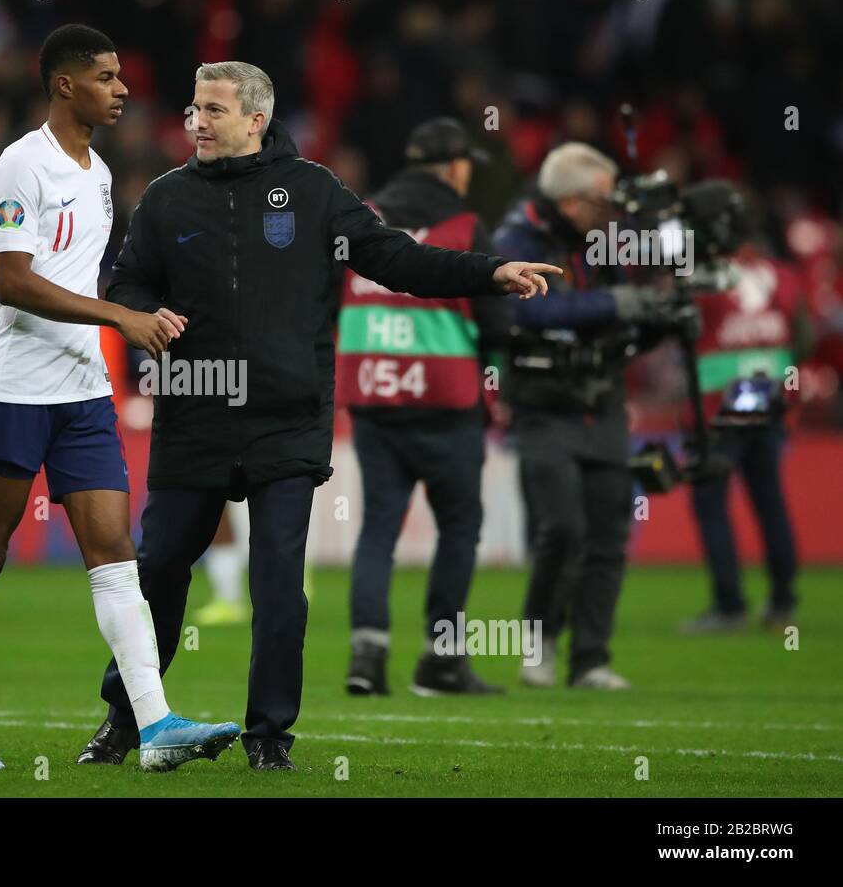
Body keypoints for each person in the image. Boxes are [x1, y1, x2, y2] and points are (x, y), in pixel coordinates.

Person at [76, 61, 558, 771]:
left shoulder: (315, 193)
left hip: (285, 420)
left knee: (278, 586)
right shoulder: (166, 198)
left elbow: (397, 259)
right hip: (195, 414)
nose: (196, 121)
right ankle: (126, 717)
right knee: (158, 575)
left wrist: (487, 271)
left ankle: (269, 738)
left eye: (212, 109)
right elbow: (131, 282)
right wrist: (144, 323)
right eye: (193, 108)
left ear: (255, 120)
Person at [0, 25, 240, 773]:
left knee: (115, 555)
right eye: (107, 77)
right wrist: (119, 316)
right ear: (65, 86)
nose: (123, 89)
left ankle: (155, 721)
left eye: (121, 75)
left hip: (82, 392)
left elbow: (79, 274)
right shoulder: (18, 169)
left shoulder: (100, 173)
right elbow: (12, 281)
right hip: (13, 390)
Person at [339, 117, 509, 697]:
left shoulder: (364, 218)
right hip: (448, 404)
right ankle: (441, 660)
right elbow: (497, 322)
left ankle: (367, 656)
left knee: (378, 529)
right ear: (456, 168)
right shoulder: (466, 226)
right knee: (459, 526)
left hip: (373, 399)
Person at [494, 142, 669, 691]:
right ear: (570, 204)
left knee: (610, 533)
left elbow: (615, 314)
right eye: (602, 200)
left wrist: (659, 317)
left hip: (604, 401)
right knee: (563, 528)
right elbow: (529, 309)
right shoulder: (515, 240)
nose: (613, 210)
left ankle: (590, 657)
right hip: (545, 405)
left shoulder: (597, 242)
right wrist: (617, 306)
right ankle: (540, 642)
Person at [682, 226, 806, 634]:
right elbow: (802, 333)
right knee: (769, 496)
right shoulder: (782, 273)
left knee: (710, 499)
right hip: (768, 392)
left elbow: (682, 329)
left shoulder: (702, 277)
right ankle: (783, 600)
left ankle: (729, 606)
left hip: (723, 399)